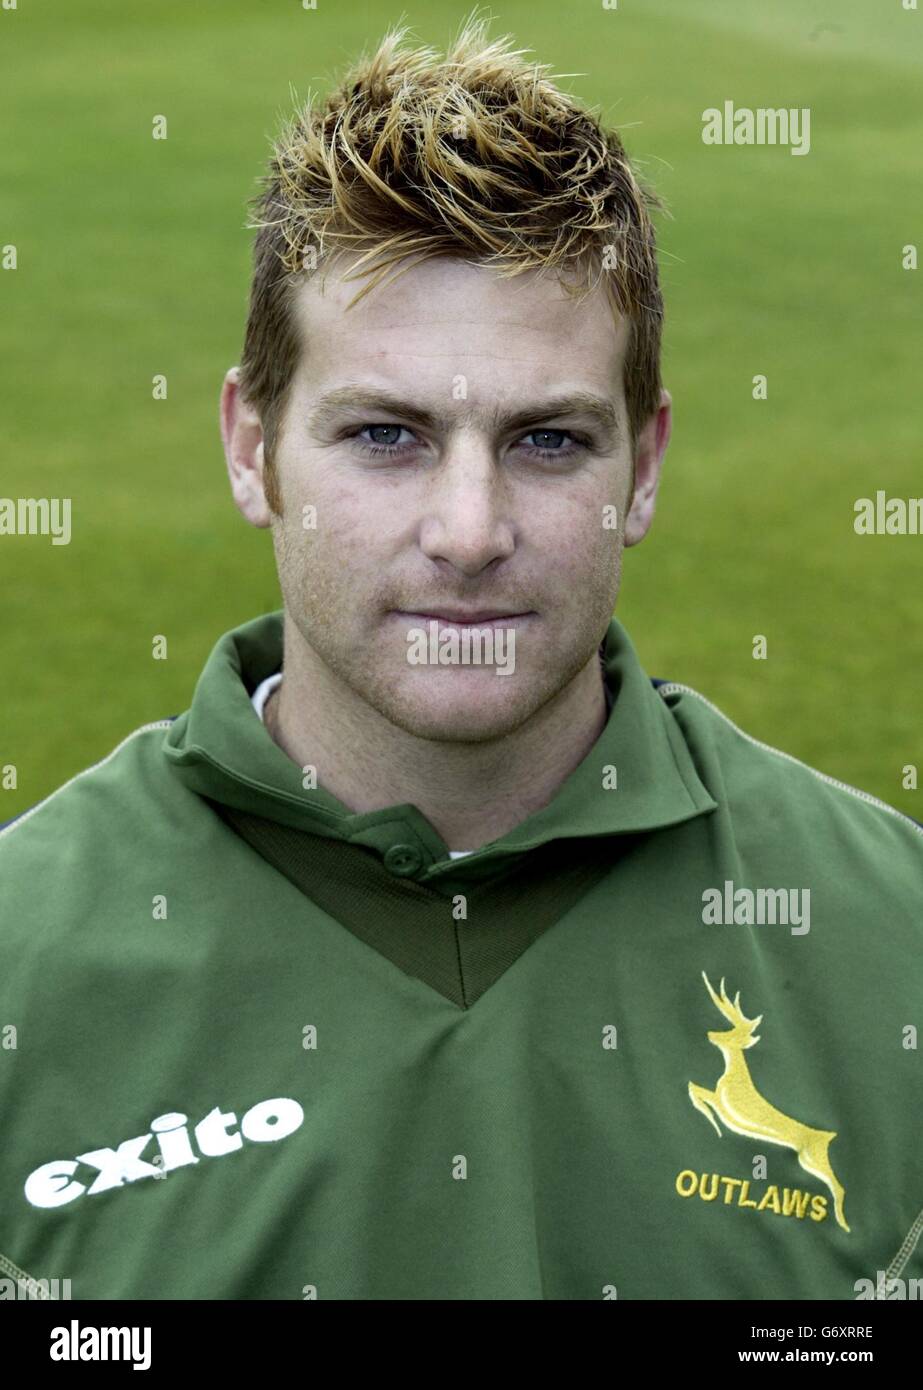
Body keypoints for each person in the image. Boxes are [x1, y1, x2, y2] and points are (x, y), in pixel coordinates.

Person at [1, 17, 920, 1303]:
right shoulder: (22, 954)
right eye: (385, 436)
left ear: (643, 466)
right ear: (250, 448)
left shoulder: (891, 935)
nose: (470, 533)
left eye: (548, 441)